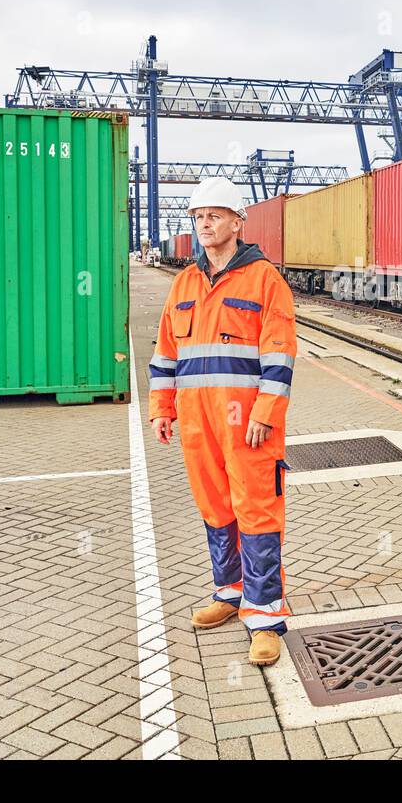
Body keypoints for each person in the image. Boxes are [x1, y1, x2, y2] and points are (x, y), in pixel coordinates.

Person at [147, 178, 297, 666]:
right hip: (197, 423)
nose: (205, 223)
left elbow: (280, 354)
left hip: (247, 424)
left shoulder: (264, 280)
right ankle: (229, 593)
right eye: (198, 216)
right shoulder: (184, 283)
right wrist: (162, 408)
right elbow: (166, 353)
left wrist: (265, 414)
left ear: (238, 221)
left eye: (214, 214)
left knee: (256, 510)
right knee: (215, 506)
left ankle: (265, 617)